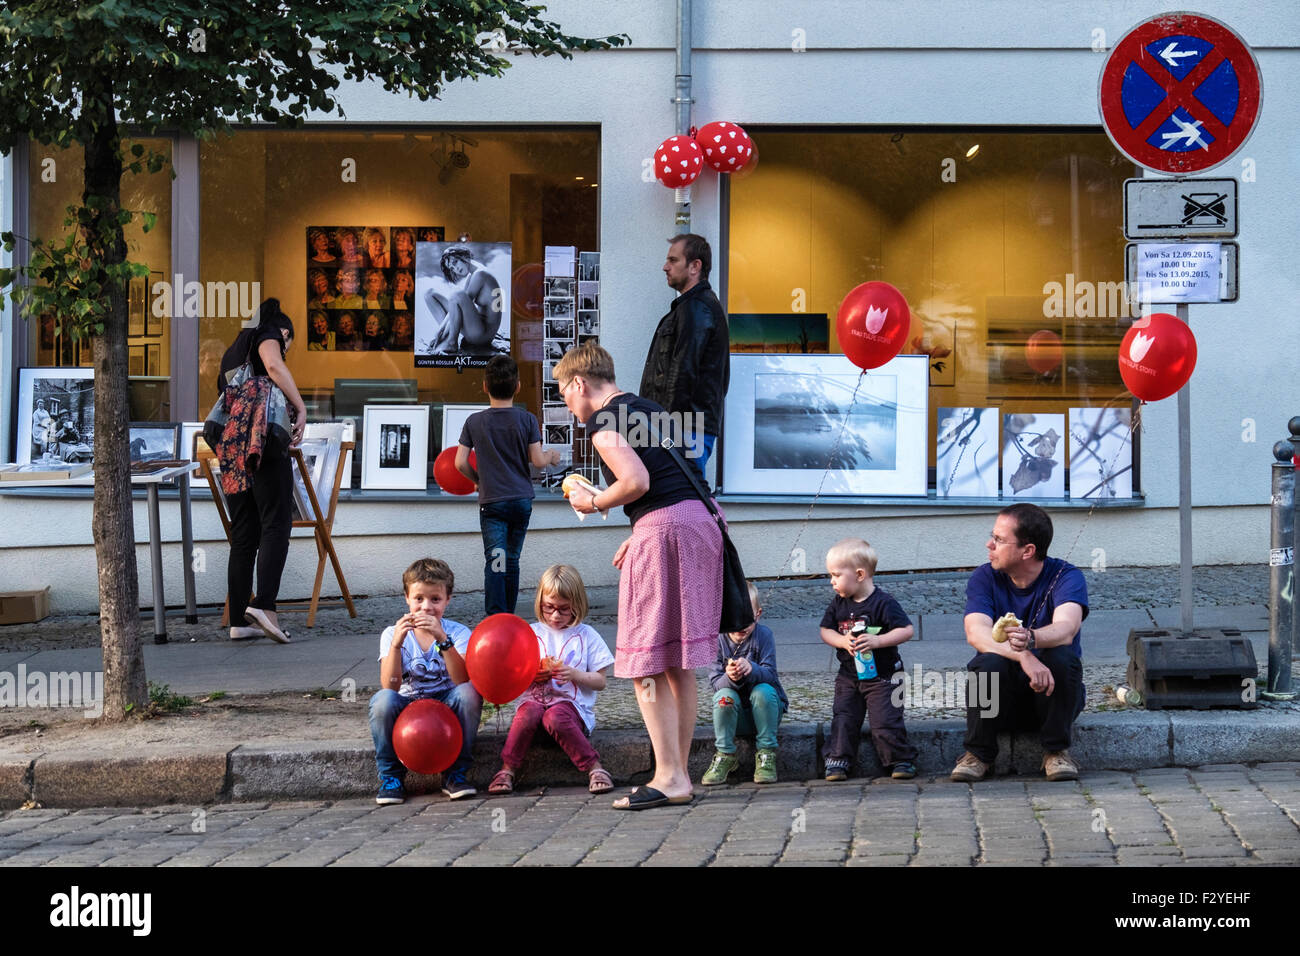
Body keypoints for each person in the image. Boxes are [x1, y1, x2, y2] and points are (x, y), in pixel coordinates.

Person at [555, 342, 721, 810]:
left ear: (579, 385)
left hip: (667, 528)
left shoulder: (599, 420)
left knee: (645, 658)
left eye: (564, 396)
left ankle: (669, 775)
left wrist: (594, 502)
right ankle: (678, 774)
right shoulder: (649, 408)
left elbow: (636, 482)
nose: (568, 408)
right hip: (700, 522)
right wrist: (642, 528)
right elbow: (677, 476)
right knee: (677, 662)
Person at [951, 503, 1088, 783]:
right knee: (987, 660)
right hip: (1002, 704)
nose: (989, 544)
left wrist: (1033, 638)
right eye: (993, 536)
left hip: (1052, 700)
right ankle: (978, 755)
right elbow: (976, 633)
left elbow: (1066, 628)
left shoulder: (1066, 576)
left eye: (999, 540)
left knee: (1062, 656)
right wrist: (1025, 656)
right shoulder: (985, 576)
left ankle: (1056, 752)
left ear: (1028, 551)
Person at [216, 298, 308, 644]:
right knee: (276, 522)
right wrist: (299, 408)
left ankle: (240, 620)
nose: (285, 351)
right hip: (263, 444)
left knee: (244, 535)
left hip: (232, 450)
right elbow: (274, 366)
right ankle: (265, 607)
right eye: (289, 345)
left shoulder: (230, 354)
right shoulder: (268, 332)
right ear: (284, 332)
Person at [488, 565, 616, 796]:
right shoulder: (529, 633)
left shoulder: (586, 635)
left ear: (577, 604)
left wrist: (575, 674)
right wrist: (530, 675)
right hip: (532, 711)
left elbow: (600, 681)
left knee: (555, 715)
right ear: (540, 603)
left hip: (571, 713)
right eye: (549, 608)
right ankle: (507, 769)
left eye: (564, 609)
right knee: (529, 712)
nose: (556, 615)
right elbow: (512, 678)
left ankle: (594, 767)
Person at [369, 558, 482, 804]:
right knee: (381, 701)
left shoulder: (459, 633)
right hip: (408, 704)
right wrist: (397, 646)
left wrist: (443, 639)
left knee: (470, 692)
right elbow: (390, 685)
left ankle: (456, 774)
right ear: (407, 598)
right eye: (418, 599)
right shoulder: (392, 633)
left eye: (435, 599)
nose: (426, 607)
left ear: (447, 600)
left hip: (446, 704)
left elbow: (462, 679)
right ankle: (391, 778)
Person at [455, 354, 561, 615]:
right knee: (511, 559)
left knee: (496, 561)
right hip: (520, 501)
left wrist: (479, 481)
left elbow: (459, 463)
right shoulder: (526, 419)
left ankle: (495, 617)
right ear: (518, 387)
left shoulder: (475, 422)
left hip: (493, 503)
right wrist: (551, 456)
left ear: (484, 386)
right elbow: (537, 460)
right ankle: (509, 617)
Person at [819, 537, 918, 781]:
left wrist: (878, 640)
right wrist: (841, 641)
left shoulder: (884, 603)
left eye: (836, 575)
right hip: (849, 675)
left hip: (884, 676)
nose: (831, 581)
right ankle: (838, 760)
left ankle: (899, 760)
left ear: (860, 574)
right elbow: (825, 630)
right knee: (844, 717)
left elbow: (906, 630)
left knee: (885, 721)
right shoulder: (839, 603)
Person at [639, 233, 730, 470]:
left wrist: (663, 430)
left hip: (682, 430)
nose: (665, 267)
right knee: (676, 499)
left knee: (680, 500)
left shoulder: (697, 309)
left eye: (673, 260)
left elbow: (682, 373)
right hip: (683, 428)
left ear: (694, 266)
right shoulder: (691, 308)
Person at [702, 582, 788, 786]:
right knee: (723, 695)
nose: (740, 624)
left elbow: (771, 675)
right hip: (735, 719)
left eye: (746, 617)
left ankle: (766, 752)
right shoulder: (717, 640)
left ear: (758, 614)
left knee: (763, 690)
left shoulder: (764, 636)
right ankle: (725, 754)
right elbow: (715, 684)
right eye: (734, 617)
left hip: (767, 714)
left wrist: (753, 669)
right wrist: (730, 677)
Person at [424, 245, 503, 354]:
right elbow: (455, 308)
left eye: (455, 262)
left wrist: (439, 333)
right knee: (430, 294)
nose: (455, 269)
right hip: (476, 327)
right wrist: (438, 333)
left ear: (464, 256)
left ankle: (451, 342)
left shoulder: (480, 274)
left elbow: (457, 300)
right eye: (451, 268)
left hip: (483, 335)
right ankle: (444, 338)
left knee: (456, 294)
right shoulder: (474, 273)